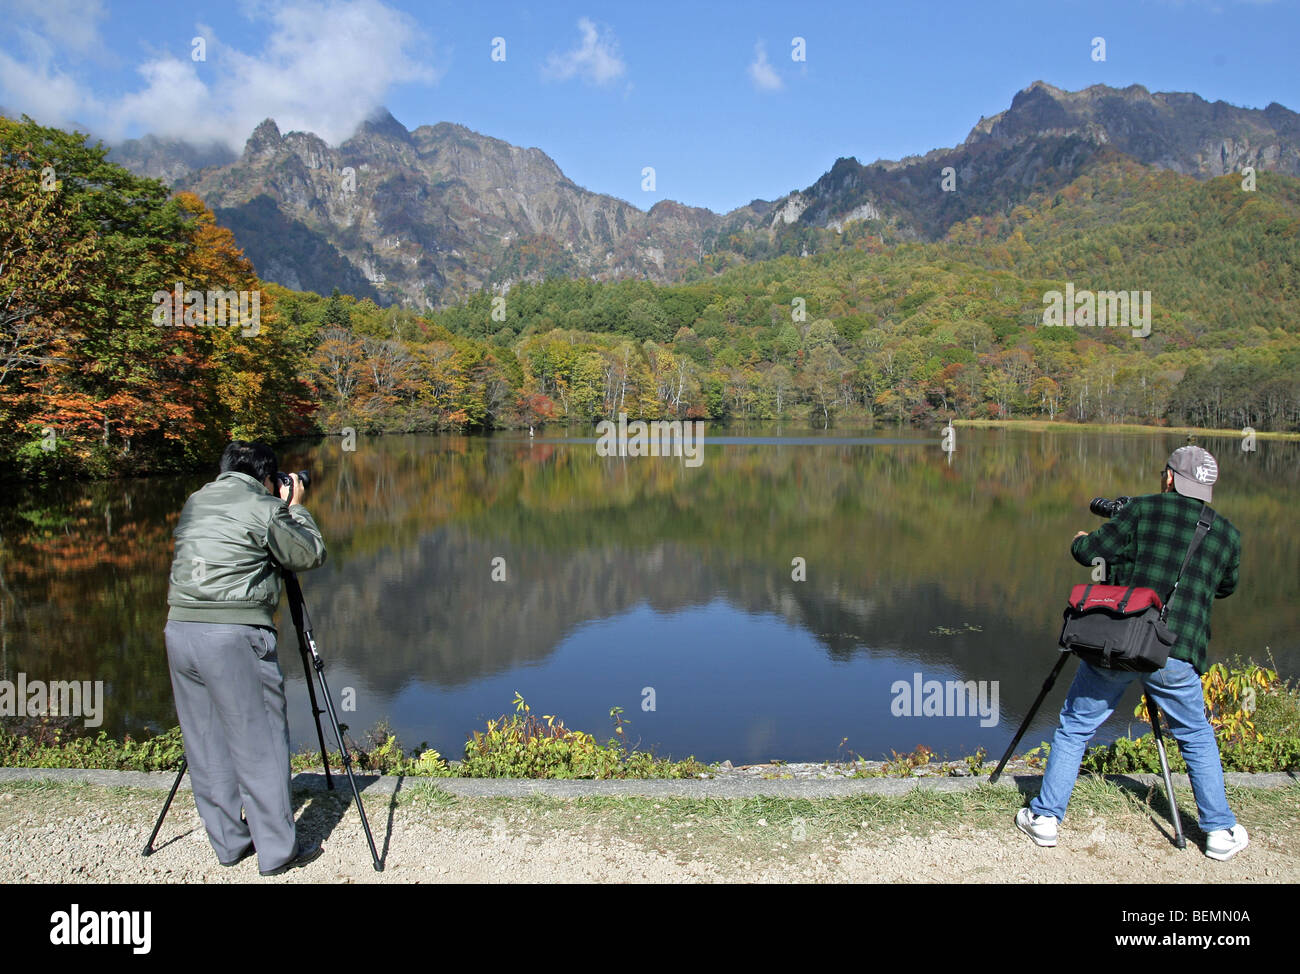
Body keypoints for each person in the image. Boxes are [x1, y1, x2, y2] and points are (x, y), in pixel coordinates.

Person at [1016, 445, 1247, 860]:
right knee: (1195, 735)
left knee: (1075, 727)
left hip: (1120, 642)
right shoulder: (1227, 533)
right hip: (1176, 649)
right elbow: (1225, 586)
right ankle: (1218, 832)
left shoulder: (1140, 510)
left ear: (1170, 478)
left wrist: (1082, 541)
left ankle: (1046, 819)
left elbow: (1089, 555)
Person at [164, 441, 328, 876]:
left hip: (180, 630)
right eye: (276, 480)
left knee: (206, 740)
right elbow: (308, 553)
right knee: (260, 742)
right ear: (268, 478)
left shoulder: (196, 500)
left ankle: (230, 843)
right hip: (233, 635)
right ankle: (277, 851)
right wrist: (294, 507)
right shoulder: (263, 506)